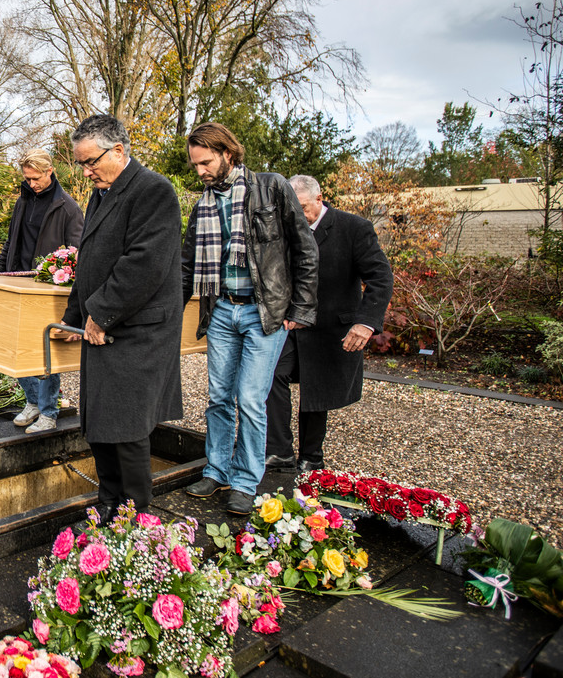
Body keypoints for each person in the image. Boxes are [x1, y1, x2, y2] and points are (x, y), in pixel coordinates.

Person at [180, 122, 318, 516]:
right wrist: (170, 315)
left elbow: (305, 250)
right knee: (218, 398)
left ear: (228, 153)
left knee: (251, 400)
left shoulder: (272, 188)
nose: (200, 171)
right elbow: (187, 264)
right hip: (221, 310)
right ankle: (216, 469)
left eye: (205, 162)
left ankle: (244, 481)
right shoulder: (203, 203)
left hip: (264, 313)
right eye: (195, 165)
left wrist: (300, 309)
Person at [57, 115, 183, 523]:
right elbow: (90, 260)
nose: (86, 171)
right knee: (100, 424)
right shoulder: (102, 192)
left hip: (138, 330)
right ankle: (108, 505)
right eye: (81, 164)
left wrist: (100, 315)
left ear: (119, 151)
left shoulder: (154, 191)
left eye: (91, 161)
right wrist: (74, 317)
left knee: (127, 429)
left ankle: (135, 518)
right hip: (103, 327)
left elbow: (143, 264)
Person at [265, 175, 393, 474]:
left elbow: (380, 278)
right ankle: (280, 451)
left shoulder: (354, 228)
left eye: (304, 207)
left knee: (316, 389)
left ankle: (312, 455)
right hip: (291, 325)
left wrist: (365, 322)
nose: (296, 215)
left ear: (320, 199)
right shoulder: (284, 228)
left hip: (330, 327)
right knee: (271, 375)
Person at [0, 149, 84, 433]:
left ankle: (48, 412)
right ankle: (32, 401)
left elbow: (78, 252)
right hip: (17, 282)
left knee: (44, 351)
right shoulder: (22, 202)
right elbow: (11, 241)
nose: (31, 183)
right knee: (16, 347)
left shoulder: (67, 208)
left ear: (49, 171)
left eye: (36, 178)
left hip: (47, 288)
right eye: (27, 178)